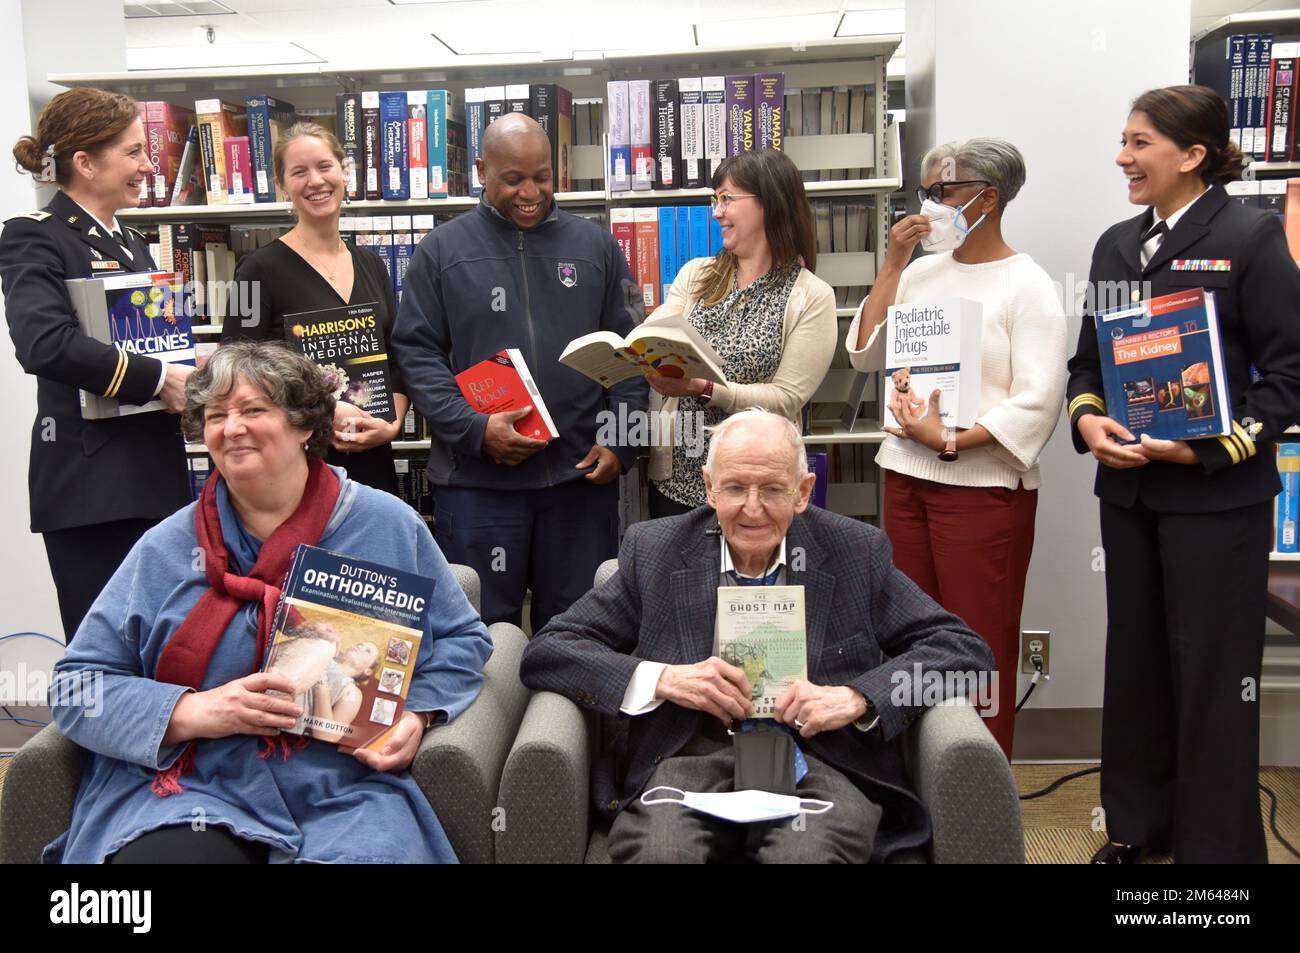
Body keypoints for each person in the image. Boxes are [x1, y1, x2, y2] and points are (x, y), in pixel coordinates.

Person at [46, 341, 493, 863]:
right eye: (216, 415)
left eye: (254, 410)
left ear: (306, 425)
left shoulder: (385, 524)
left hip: (339, 785)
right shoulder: (165, 548)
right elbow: (78, 687)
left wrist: (417, 715)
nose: (232, 428)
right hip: (188, 784)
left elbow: (465, 640)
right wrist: (193, 711)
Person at [520, 408, 994, 863]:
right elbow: (549, 650)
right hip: (688, 756)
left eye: (771, 489)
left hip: (820, 759)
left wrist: (857, 698)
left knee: (804, 855)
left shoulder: (855, 551)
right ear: (708, 488)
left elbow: (962, 649)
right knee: (664, 852)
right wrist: (663, 679)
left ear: (803, 491)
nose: (752, 508)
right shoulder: (655, 551)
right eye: (735, 487)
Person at [1067, 85, 1300, 864]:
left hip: (1217, 498)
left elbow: (1290, 376)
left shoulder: (1250, 236)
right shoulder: (1113, 246)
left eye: (1139, 143)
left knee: (1211, 672)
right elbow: (1085, 364)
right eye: (1123, 140)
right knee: (1134, 663)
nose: (1122, 157)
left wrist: (1203, 449)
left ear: (1192, 154)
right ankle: (1136, 826)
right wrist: (1088, 419)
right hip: (1129, 494)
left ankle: (1215, 851)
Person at [845, 138, 1067, 758]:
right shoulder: (920, 273)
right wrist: (892, 263)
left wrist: (949, 439)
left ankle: (978, 788)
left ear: (987, 197)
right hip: (907, 476)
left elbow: (1039, 400)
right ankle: (917, 781)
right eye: (925, 191)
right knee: (911, 640)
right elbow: (865, 354)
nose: (929, 204)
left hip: (982, 489)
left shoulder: (1028, 285)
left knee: (979, 643)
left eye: (942, 192)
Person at [392, 112, 648, 632]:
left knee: (581, 631)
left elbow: (629, 352)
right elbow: (416, 355)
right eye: (513, 179)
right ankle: (491, 720)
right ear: (482, 171)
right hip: (478, 486)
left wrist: (623, 443)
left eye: (542, 176)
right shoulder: (441, 251)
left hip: (579, 481)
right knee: (482, 632)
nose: (531, 192)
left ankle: (567, 719)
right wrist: (474, 430)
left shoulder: (596, 246)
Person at [1, 87, 192, 640]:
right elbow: (44, 344)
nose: (147, 166)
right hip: (94, 489)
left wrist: (192, 371)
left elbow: (157, 344)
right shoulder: (34, 235)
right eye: (133, 152)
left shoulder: (133, 242)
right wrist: (161, 379)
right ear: (85, 163)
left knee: (164, 647)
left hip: (154, 477)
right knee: (104, 656)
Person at [644, 149, 837, 518]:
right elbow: (659, 330)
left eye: (727, 199)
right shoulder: (695, 275)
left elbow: (785, 398)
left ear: (769, 204)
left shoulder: (811, 296)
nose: (717, 211)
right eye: (715, 199)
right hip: (677, 482)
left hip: (757, 491)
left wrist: (703, 388)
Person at [222, 122, 410, 494]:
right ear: (282, 185)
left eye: (325, 166)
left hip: (374, 458)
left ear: (344, 172)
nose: (316, 181)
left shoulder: (373, 265)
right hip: (299, 464)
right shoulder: (255, 269)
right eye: (299, 172)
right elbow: (233, 367)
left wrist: (393, 422)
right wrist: (323, 411)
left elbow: (396, 358)